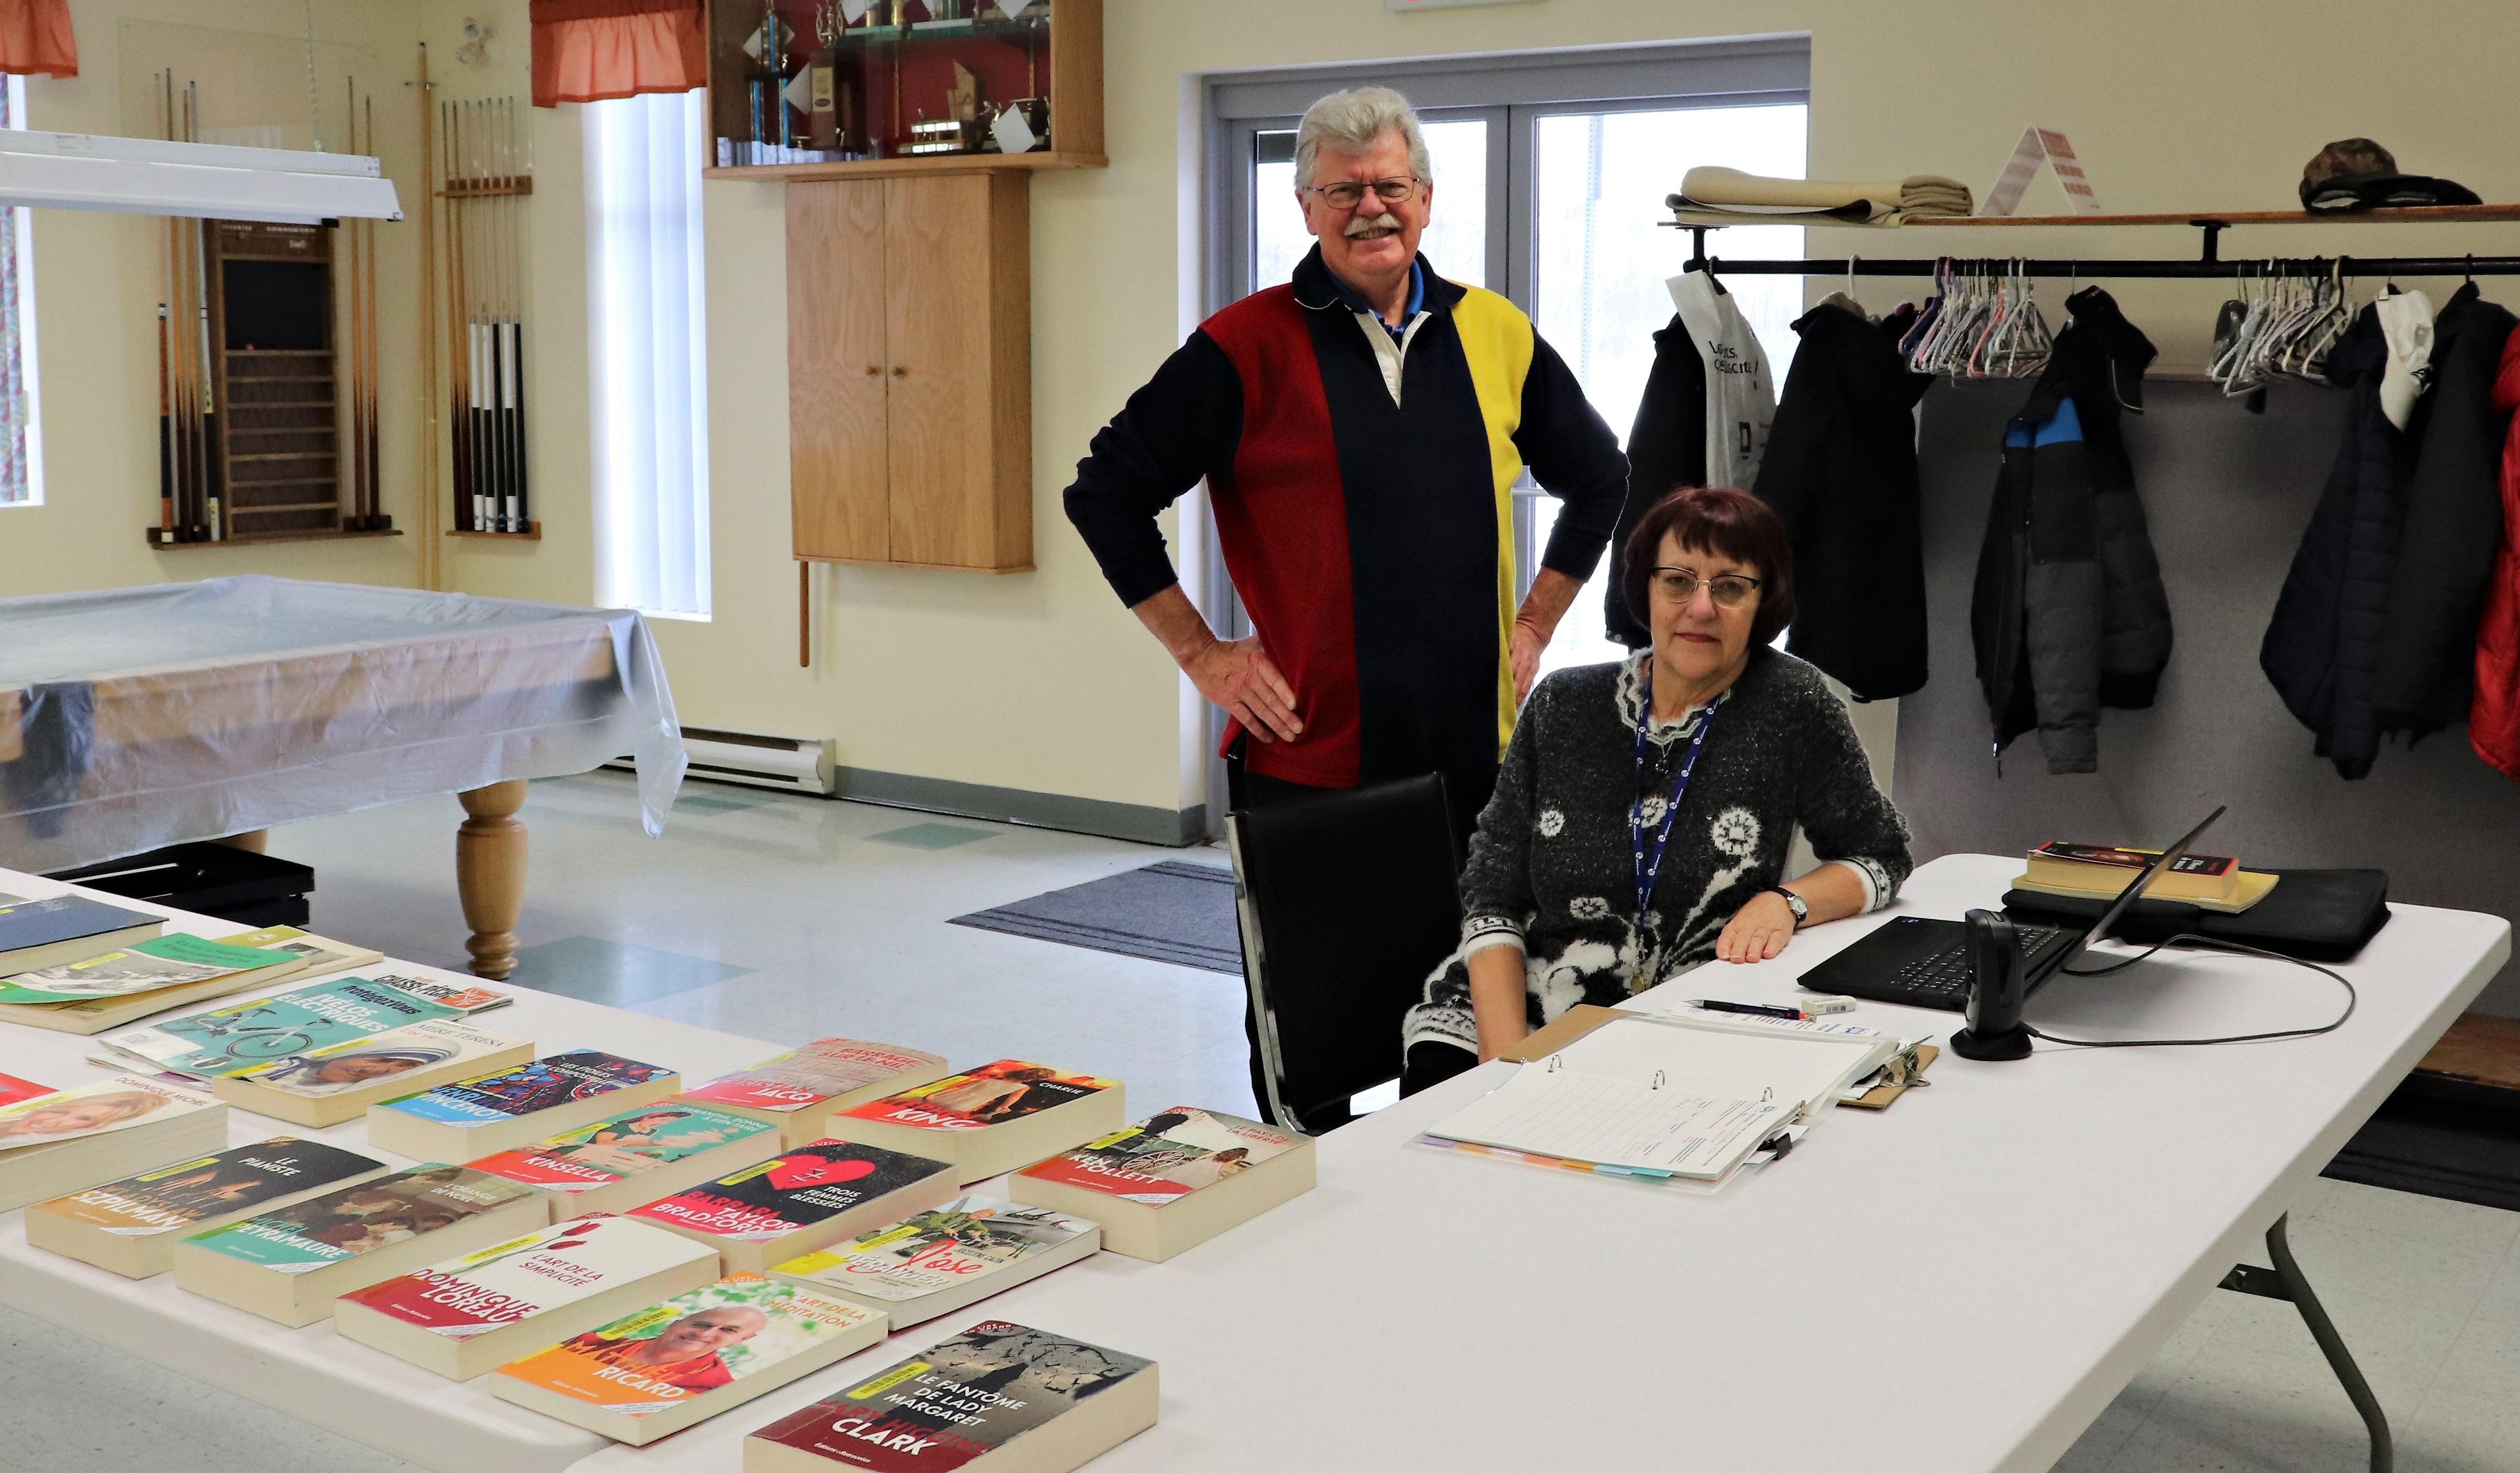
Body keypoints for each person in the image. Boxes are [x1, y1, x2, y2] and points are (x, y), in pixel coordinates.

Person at [1062, 85, 1630, 1131]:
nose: (1370, 208)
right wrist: (1204, 653)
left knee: (1468, 1023)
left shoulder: (1495, 332)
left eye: (1389, 185)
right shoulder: (1242, 346)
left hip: (1475, 760)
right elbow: (1103, 494)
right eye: (1342, 190)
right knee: (1312, 1047)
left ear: (1425, 196)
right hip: (1309, 761)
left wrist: (1539, 620)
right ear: (1306, 205)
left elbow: (1601, 476)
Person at [1400, 487, 1913, 1087]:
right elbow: (1492, 896)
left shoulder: (1790, 704)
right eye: (1678, 581)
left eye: (1729, 587)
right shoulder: (1563, 705)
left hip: (1682, 1026)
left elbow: (1881, 853)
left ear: (1762, 601)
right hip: (1515, 1008)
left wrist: (1788, 902)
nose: (1700, 608)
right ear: (1645, 588)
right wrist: (1508, 1064)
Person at [560, 1305, 767, 1392]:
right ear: (673, 1324)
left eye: (728, 1331)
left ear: (741, 1340)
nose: (704, 1334)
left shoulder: (715, 1389)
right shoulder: (585, 1342)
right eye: (701, 1324)